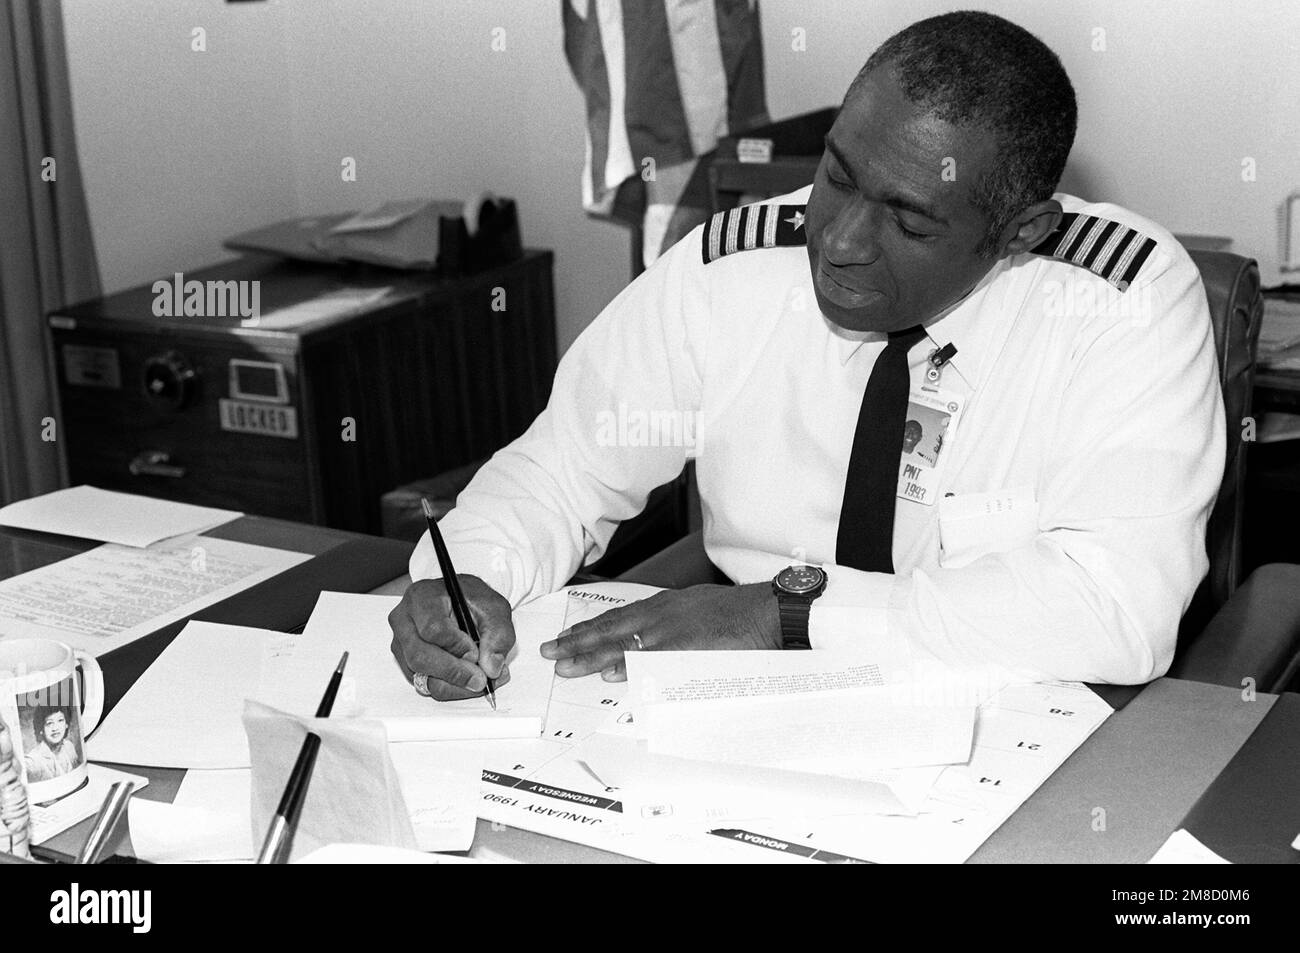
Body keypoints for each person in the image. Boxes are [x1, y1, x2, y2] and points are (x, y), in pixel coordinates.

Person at [389, 11, 1222, 698]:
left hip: (1003, 713)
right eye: (839, 174)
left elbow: (1113, 606)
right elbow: (562, 467)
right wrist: (464, 579)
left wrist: (782, 612)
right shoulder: (736, 270)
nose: (840, 240)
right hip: (734, 707)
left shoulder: (1120, 302)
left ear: (1021, 232)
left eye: (909, 220)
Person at [23, 707, 79, 783]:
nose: (55, 728)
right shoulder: (33, 761)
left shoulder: (69, 747)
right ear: (41, 729)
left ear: (66, 724)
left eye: (60, 720)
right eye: (49, 723)